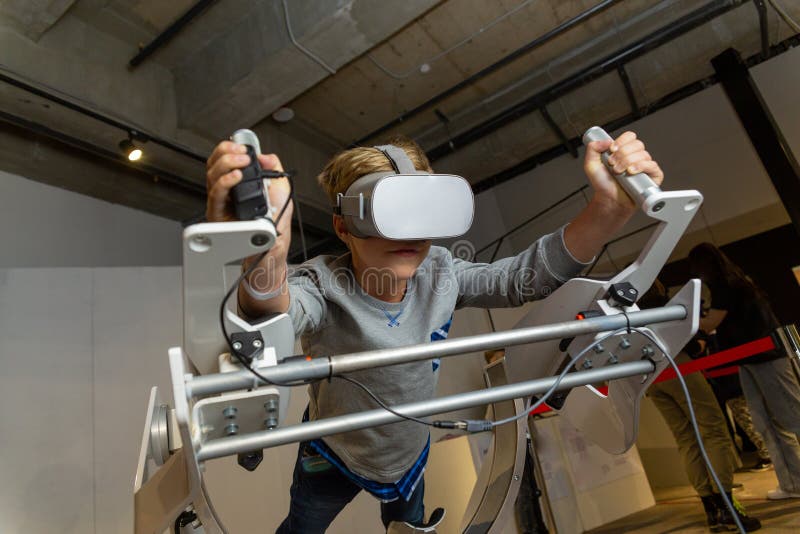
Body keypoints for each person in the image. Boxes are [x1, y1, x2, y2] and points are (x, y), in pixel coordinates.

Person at [205, 131, 663, 533]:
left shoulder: (440, 271)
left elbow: (525, 278)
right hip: (333, 453)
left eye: (422, 212)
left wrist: (607, 210)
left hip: (409, 453)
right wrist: (266, 251)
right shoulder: (322, 284)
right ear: (344, 225)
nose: (410, 232)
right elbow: (274, 313)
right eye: (389, 212)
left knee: (411, 529)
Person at [641, 281, 761, 531]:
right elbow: (694, 344)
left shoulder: (630, 313)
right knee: (713, 430)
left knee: (686, 439)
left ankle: (712, 511)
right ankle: (729, 507)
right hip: (679, 368)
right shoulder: (666, 307)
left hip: (650, 376)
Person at [689, 242, 800, 501]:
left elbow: (711, 323)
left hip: (766, 358)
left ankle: (793, 482)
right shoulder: (736, 283)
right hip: (752, 359)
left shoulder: (725, 287)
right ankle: (792, 483)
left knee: (790, 416)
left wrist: (687, 320)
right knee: (768, 423)